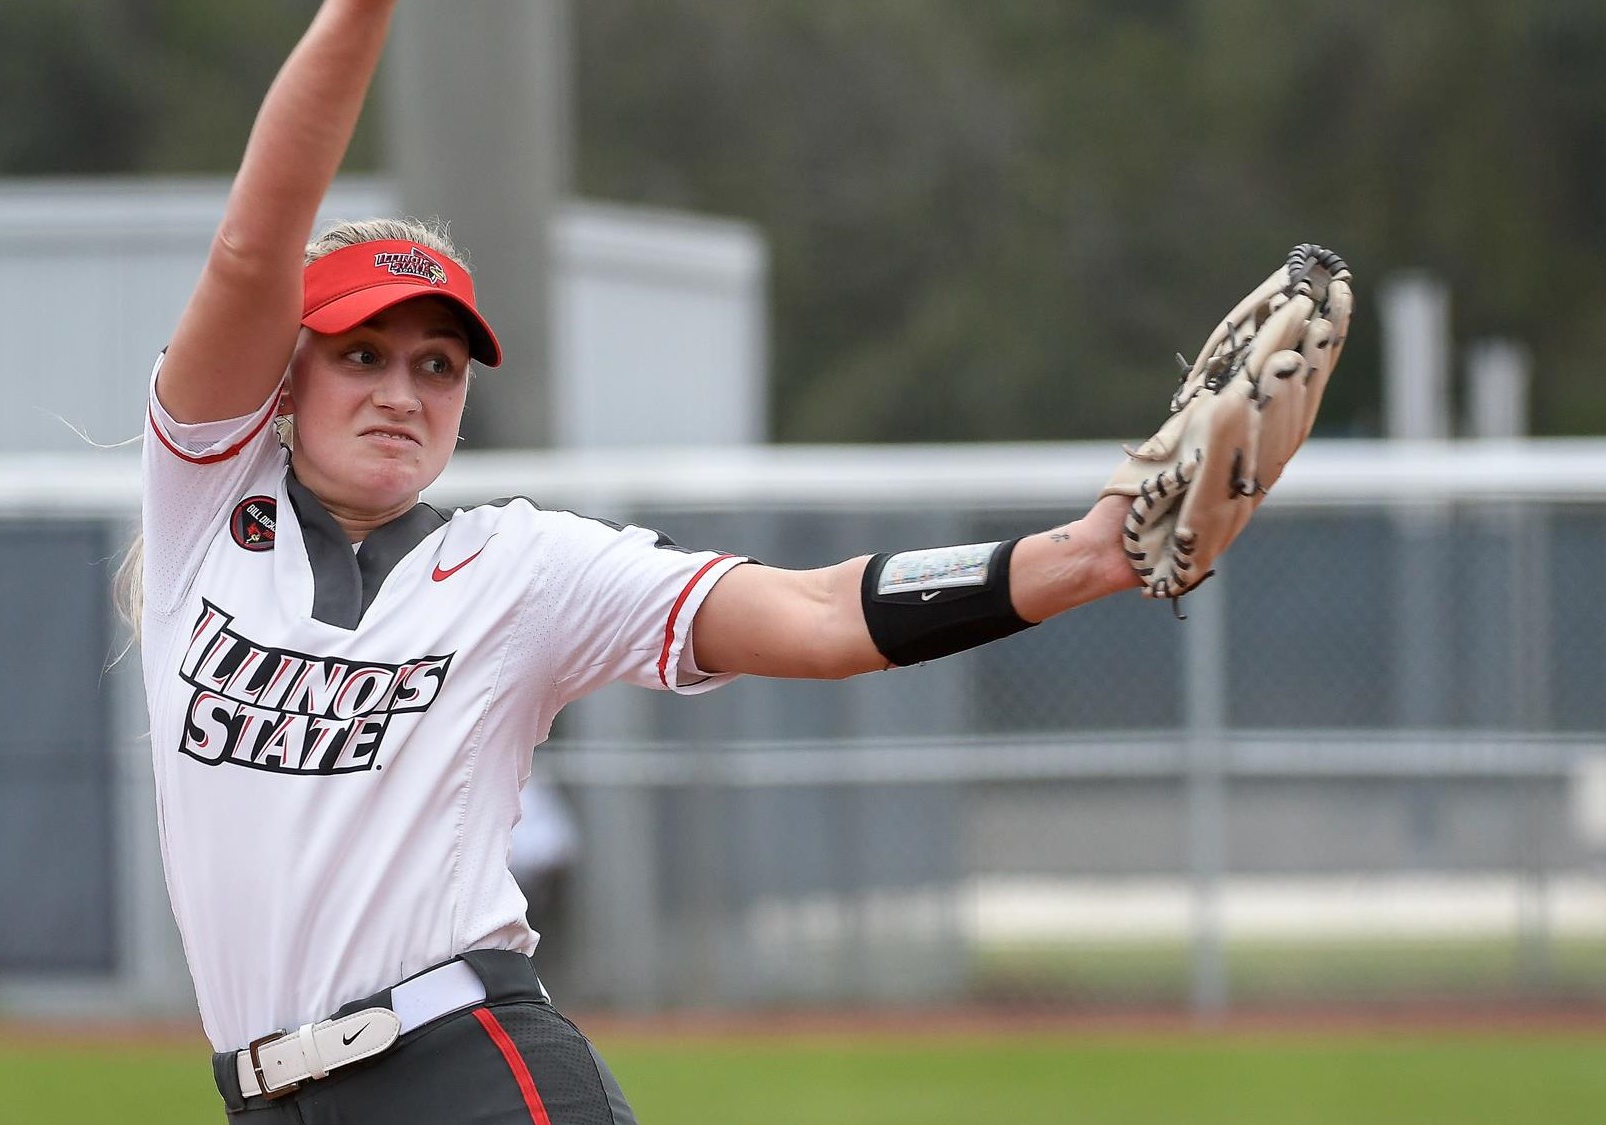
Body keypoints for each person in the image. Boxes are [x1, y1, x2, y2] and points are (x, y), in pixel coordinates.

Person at [129, 2, 1137, 1120]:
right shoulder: (206, 513)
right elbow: (251, 245)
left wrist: (1082, 557)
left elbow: (812, 614)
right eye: (360, 353)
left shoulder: (521, 566)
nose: (400, 392)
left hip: (471, 1076)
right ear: (285, 376)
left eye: (437, 365)